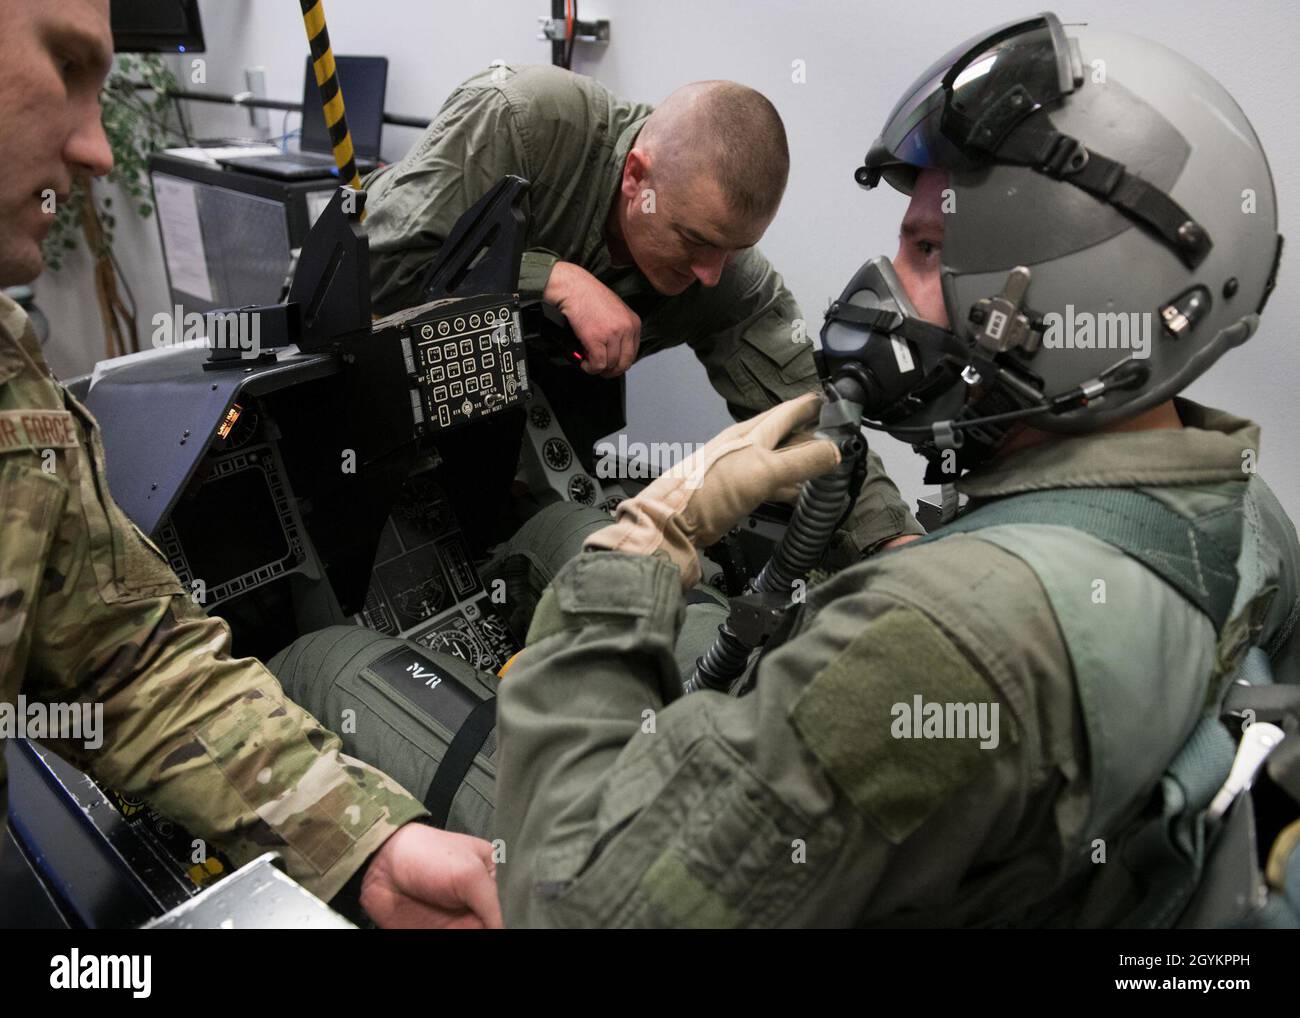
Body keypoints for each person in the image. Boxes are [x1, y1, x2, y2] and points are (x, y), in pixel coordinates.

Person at [490, 13, 1300, 927]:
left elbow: (574, 903)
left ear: (1062, 304)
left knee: (337, 658)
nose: (880, 290)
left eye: (925, 252)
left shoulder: (936, 638)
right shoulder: (1243, 512)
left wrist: (635, 550)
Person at [0, 0, 501, 929]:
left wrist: (367, 843)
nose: (101, 150)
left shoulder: (13, 378)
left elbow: (128, 660)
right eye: (68, 67)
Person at [363, 62, 923, 558]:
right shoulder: (523, 120)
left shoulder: (721, 271)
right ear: (637, 177)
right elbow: (380, 270)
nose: (709, 272)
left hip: (512, 444)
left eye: (735, 249)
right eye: (695, 241)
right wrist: (552, 277)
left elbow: (810, 410)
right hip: (368, 425)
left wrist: (892, 538)